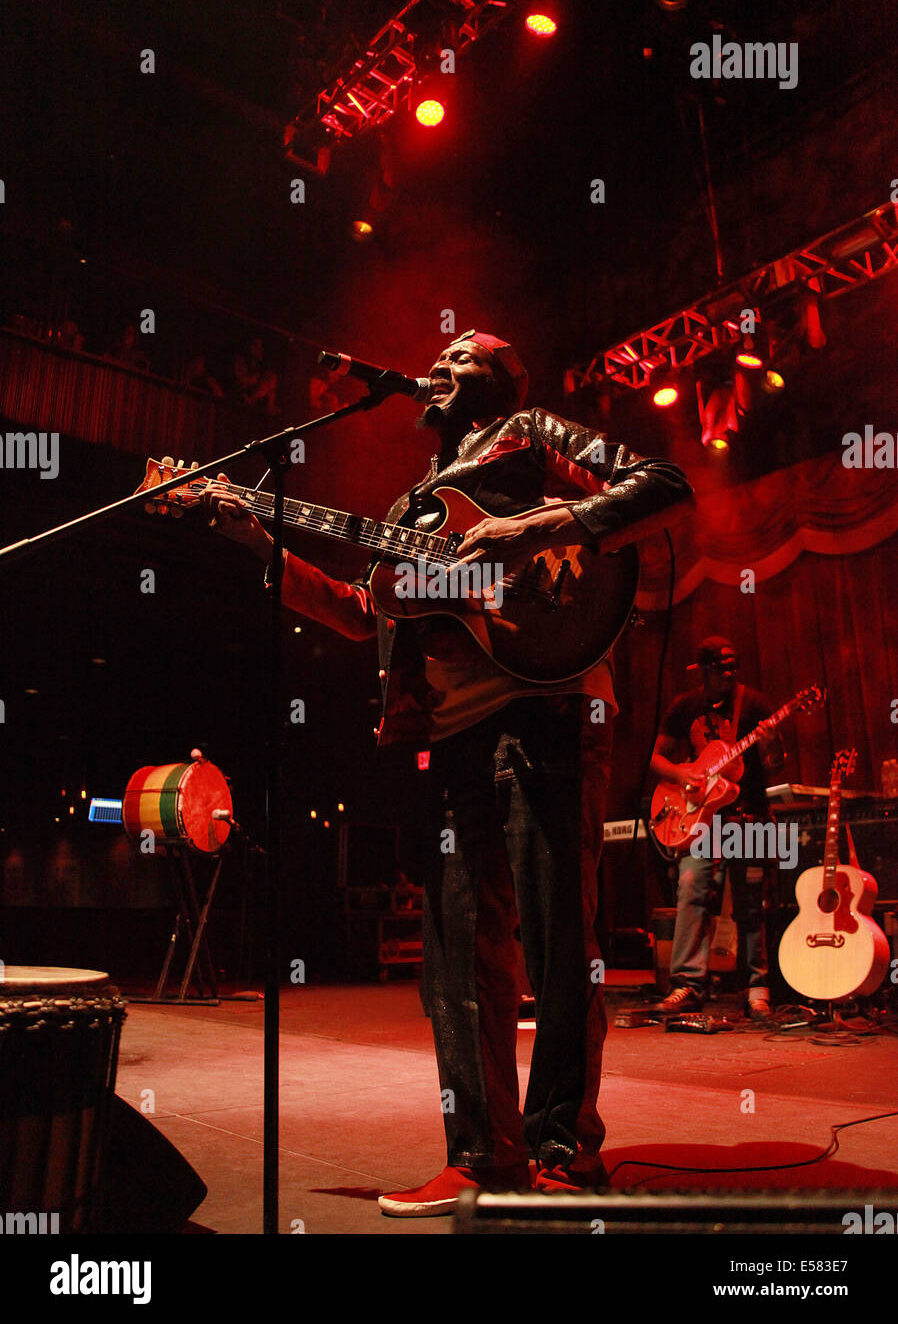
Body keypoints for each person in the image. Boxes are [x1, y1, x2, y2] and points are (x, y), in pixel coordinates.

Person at [206, 329, 693, 1215]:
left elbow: (662, 484)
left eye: (465, 354)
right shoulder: (411, 507)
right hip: (454, 733)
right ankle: (481, 1156)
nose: (441, 361)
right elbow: (365, 615)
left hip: (551, 706)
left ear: (504, 383)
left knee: (557, 941)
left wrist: (532, 527)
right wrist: (257, 538)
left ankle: (561, 1146)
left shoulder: (534, 432)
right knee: (458, 960)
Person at [650, 636, 786, 1020]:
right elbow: (655, 758)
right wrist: (684, 774)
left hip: (749, 816)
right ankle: (688, 985)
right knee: (691, 890)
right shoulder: (684, 707)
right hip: (699, 817)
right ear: (704, 669)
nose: (729, 672)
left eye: (733, 665)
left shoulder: (755, 704)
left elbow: (775, 765)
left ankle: (756, 987)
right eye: (721, 666)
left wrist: (772, 742)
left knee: (751, 900)